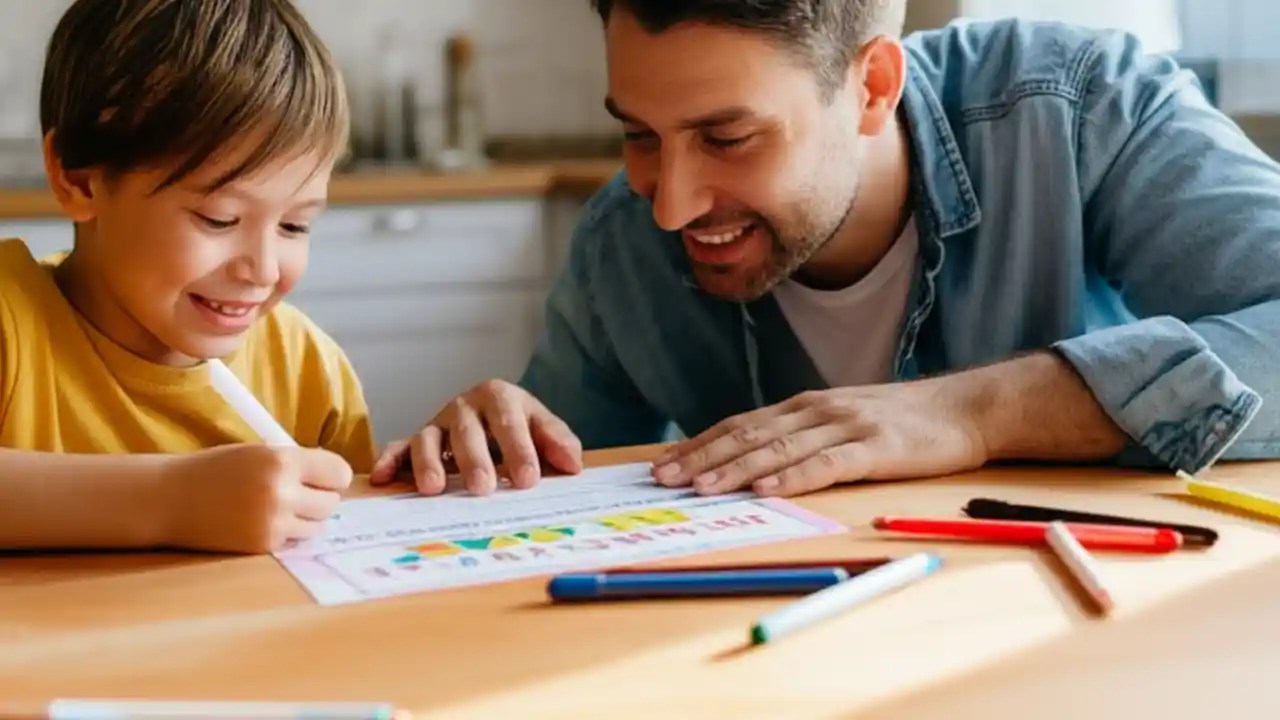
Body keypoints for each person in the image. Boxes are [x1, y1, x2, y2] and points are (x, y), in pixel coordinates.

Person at [373, 0, 1280, 499]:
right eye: (640, 135)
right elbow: (552, 500)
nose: (670, 206)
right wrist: (489, 450)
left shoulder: (1079, 106)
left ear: (872, 87)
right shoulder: (621, 246)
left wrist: (980, 412)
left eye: (727, 137)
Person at [0, 0, 374, 553]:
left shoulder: (307, 370)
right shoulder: (12, 328)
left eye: (295, 226)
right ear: (80, 179)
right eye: (218, 219)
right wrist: (172, 501)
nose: (263, 270)